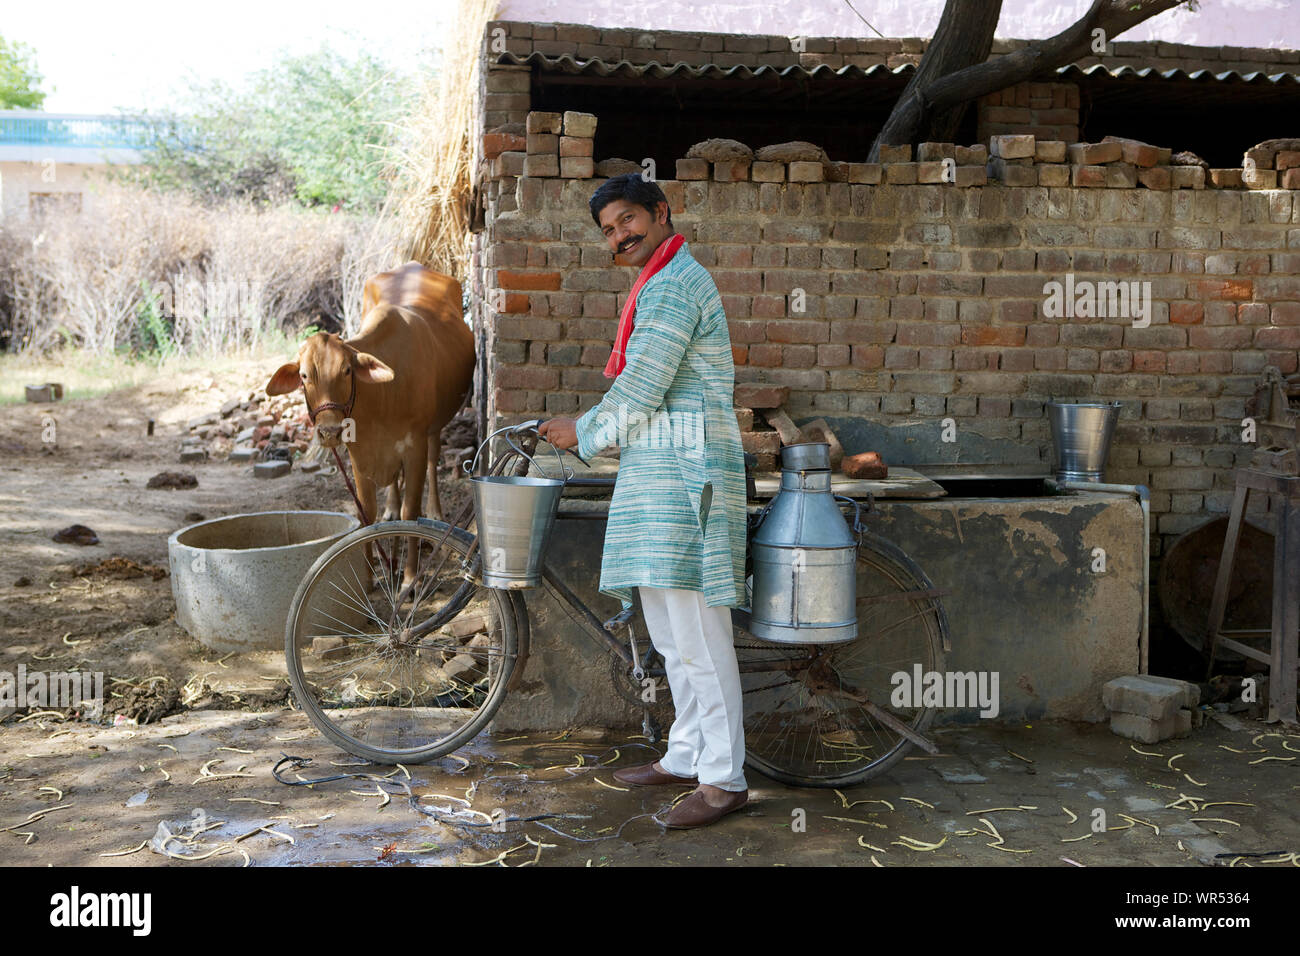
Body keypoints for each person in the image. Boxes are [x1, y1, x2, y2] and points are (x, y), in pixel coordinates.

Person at [538, 173, 750, 829]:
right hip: (663, 472)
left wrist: (586, 430)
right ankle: (687, 754)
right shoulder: (653, 283)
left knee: (697, 634)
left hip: (689, 473)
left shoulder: (676, 284)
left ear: (660, 214)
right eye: (607, 229)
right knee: (669, 630)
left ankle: (725, 779)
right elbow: (641, 386)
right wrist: (590, 428)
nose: (618, 236)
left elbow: (644, 385)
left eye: (627, 220)